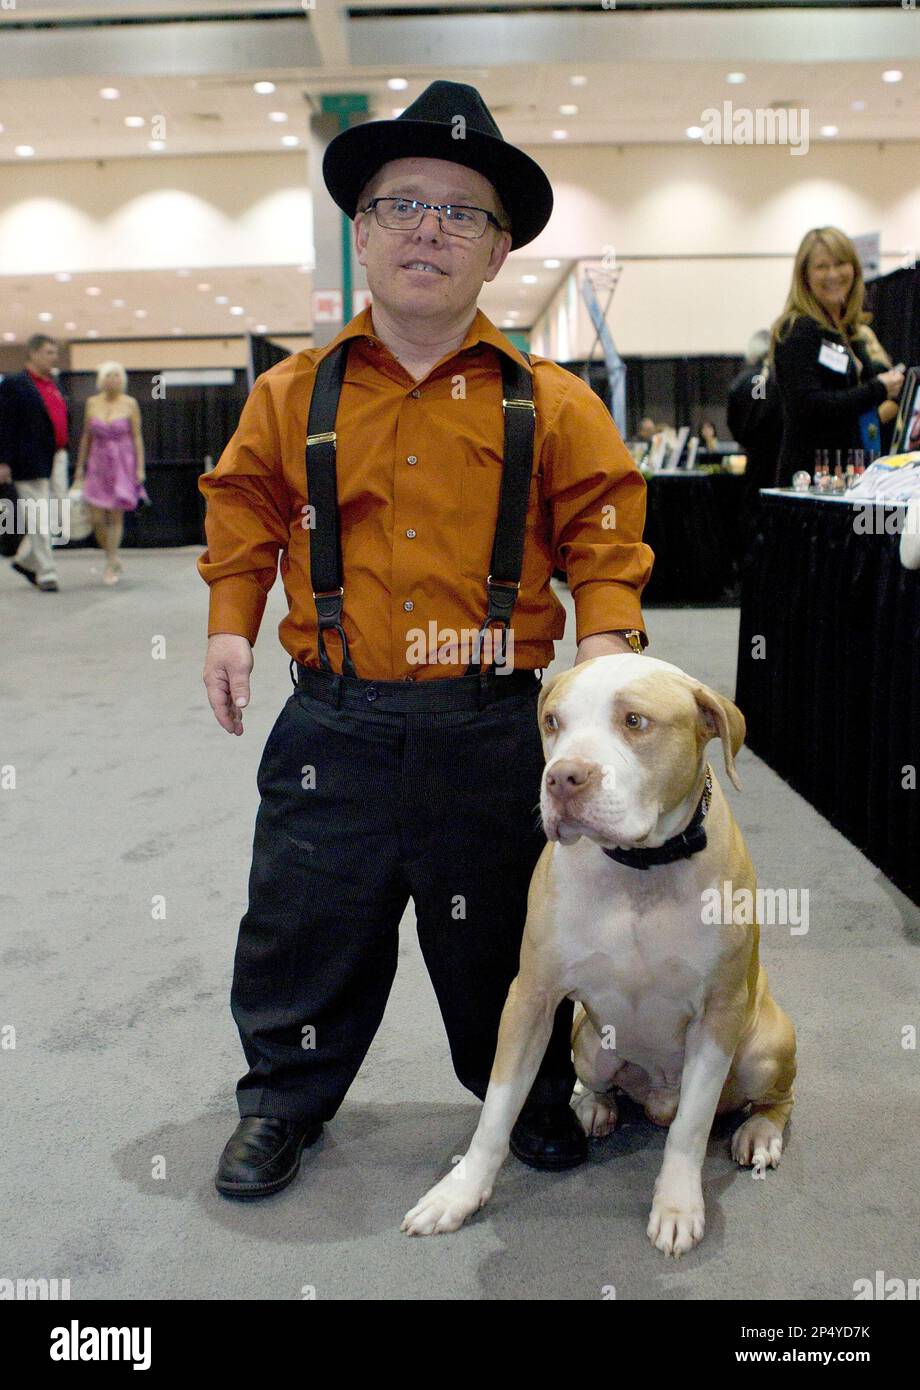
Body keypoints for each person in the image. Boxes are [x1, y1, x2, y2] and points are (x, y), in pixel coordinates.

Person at [197, 80, 655, 1201]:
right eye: (403, 205)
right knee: (303, 922)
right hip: (332, 720)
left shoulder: (549, 403)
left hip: (489, 727)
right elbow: (242, 509)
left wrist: (606, 646)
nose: (427, 230)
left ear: (496, 253)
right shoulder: (290, 394)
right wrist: (227, 626)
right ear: (360, 232)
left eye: (461, 214)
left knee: (505, 934)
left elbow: (604, 530)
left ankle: (530, 1098)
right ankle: (280, 1101)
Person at [770, 226, 904, 485]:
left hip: (849, 474)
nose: (832, 274)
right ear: (805, 276)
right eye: (821, 266)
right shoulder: (798, 329)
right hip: (810, 480)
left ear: (854, 268)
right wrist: (877, 389)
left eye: (840, 263)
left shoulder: (849, 331)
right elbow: (808, 405)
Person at [0, 333, 69, 591]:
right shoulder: (15, 384)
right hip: (28, 460)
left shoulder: (52, 383)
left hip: (57, 456)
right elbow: (4, 424)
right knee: (39, 516)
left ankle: (26, 560)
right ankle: (47, 572)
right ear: (33, 353)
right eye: (49, 352)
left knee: (58, 517)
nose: (54, 357)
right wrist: (3, 461)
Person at [73, 362, 147, 586]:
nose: (112, 380)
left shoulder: (130, 403)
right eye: (108, 376)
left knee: (116, 515)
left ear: (122, 379)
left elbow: (137, 437)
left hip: (122, 463)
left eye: (116, 376)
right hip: (97, 463)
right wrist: (79, 468)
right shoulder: (92, 403)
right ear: (101, 379)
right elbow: (86, 436)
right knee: (96, 517)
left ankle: (110, 562)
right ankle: (112, 556)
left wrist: (140, 468)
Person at [727, 329, 784, 540]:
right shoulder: (775, 380)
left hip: (753, 459)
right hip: (777, 459)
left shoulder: (742, 382)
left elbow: (733, 423)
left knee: (751, 515)